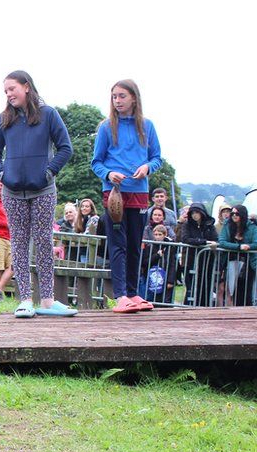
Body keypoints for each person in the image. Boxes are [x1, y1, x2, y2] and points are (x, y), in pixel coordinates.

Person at [0, 70, 75, 317]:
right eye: (5, 91)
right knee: (19, 244)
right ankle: (25, 299)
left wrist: (48, 173)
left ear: (26, 87)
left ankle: (48, 301)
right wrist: (2, 175)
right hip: (13, 193)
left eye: (11, 89)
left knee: (44, 242)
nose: (8, 94)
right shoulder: (4, 119)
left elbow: (65, 148)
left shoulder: (49, 115)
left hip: (43, 190)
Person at [91, 79, 163, 314]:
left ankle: (133, 292)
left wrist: (147, 168)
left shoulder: (147, 126)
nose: (117, 101)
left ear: (134, 97)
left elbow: (156, 157)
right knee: (118, 243)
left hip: (140, 192)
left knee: (135, 244)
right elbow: (96, 162)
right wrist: (109, 173)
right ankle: (120, 295)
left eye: (122, 96)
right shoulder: (105, 127)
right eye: (114, 97)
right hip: (115, 194)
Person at [180, 203, 219, 306]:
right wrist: (205, 242)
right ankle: (188, 308)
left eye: (197, 212)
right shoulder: (187, 225)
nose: (194, 215)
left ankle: (204, 307)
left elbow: (215, 239)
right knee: (191, 287)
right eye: (192, 212)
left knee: (206, 286)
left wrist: (211, 243)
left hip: (207, 261)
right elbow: (186, 239)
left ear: (202, 213)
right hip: (191, 260)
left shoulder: (209, 225)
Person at [218, 205, 257, 306]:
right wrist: (239, 247)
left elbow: (256, 243)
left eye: (237, 214)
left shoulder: (252, 227)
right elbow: (222, 241)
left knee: (245, 290)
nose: (234, 216)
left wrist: (248, 246)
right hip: (230, 260)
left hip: (247, 263)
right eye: (232, 214)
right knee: (230, 290)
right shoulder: (227, 225)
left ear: (242, 215)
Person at [138, 224, 178, 305]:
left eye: (160, 234)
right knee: (151, 300)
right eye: (156, 234)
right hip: (151, 278)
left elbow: (172, 264)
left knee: (165, 301)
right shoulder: (150, 246)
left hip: (165, 278)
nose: (158, 237)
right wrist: (157, 256)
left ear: (165, 235)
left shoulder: (171, 247)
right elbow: (144, 262)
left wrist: (171, 280)